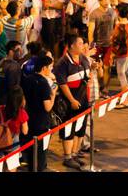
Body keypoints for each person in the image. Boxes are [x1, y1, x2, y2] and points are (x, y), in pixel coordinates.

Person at [54, 34, 91, 169]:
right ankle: (68, 156)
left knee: (80, 127)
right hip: (70, 101)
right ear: (71, 46)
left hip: (83, 99)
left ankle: (75, 153)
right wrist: (72, 100)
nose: (83, 46)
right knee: (69, 128)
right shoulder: (62, 63)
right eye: (80, 43)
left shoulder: (83, 58)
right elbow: (62, 84)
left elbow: (86, 74)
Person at [22, 55, 55, 172]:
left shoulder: (27, 79)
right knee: (40, 153)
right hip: (41, 123)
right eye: (50, 67)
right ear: (44, 68)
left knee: (30, 152)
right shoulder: (43, 83)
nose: (51, 69)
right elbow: (47, 107)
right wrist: (53, 95)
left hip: (28, 120)